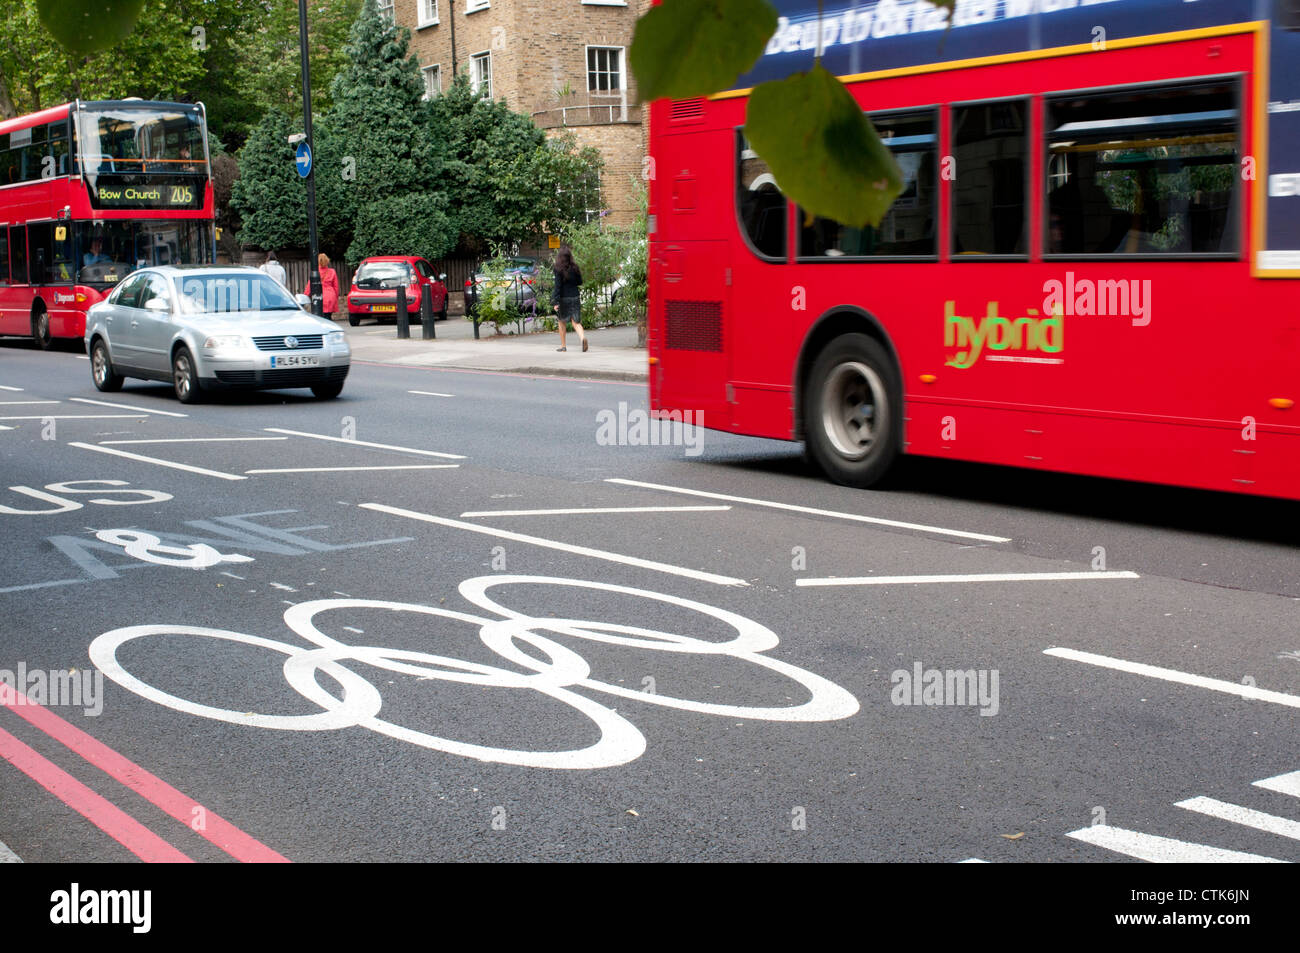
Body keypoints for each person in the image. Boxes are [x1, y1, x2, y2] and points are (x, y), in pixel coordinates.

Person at [550, 245, 587, 352]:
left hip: (564, 298)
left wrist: (556, 301)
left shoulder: (558, 268)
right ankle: (582, 338)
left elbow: (557, 286)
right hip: (575, 296)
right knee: (576, 321)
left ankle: (563, 346)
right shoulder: (575, 267)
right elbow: (580, 282)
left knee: (561, 321)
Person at [305, 252, 340, 320]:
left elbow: (310, 285)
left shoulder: (315, 272)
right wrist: (335, 296)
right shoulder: (332, 271)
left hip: (319, 296)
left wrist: (306, 295)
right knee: (328, 316)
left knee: (321, 318)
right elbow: (336, 286)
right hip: (330, 295)